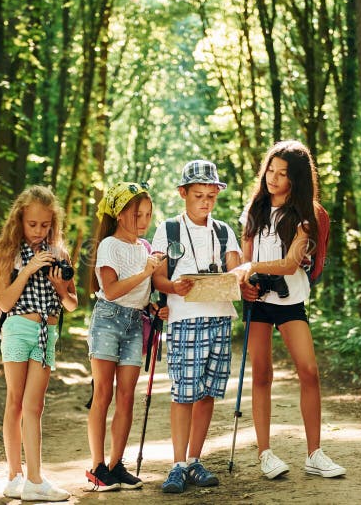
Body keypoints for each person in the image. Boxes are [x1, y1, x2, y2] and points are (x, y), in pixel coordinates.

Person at [235, 140, 345, 480]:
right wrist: (244, 282)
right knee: (262, 374)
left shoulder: (308, 217)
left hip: (291, 301)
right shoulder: (255, 209)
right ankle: (265, 453)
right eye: (271, 169)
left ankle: (315, 453)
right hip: (258, 303)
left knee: (309, 370)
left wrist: (251, 266)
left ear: (295, 180)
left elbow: (289, 264)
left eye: (283, 174)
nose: (273, 178)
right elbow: (242, 258)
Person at [151, 160, 243, 494]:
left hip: (219, 316)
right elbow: (158, 277)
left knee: (206, 392)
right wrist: (172, 287)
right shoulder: (169, 229)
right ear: (183, 194)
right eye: (198, 195)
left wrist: (241, 277)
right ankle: (177, 465)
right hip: (183, 317)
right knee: (184, 392)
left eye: (210, 195)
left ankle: (194, 460)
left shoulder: (224, 232)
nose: (205, 202)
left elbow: (237, 271)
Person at [0, 185, 77, 501]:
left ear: (53, 223)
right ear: (19, 221)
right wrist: (27, 270)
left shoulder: (60, 253)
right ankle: (16, 477)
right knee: (15, 402)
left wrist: (61, 287)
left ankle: (34, 479)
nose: (39, 231)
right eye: (32, 224)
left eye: (45, 225)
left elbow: (72, 305)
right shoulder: (9, 254)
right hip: (18, 331)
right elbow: (6, 303)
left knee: (33, 406)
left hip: (46, 334)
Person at [85, 182, 165, 491]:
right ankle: (97, 466)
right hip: (108, 319)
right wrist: (146, 273)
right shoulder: (109, 245)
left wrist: (154, 306)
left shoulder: (144, 249)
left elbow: (139, 295)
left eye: (148, 214)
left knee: (127, 397)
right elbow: (112, 289)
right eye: (137, 215)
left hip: (135, 322)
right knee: (103, 393)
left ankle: (116, 465)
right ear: (120, 215)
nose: (144, 222)